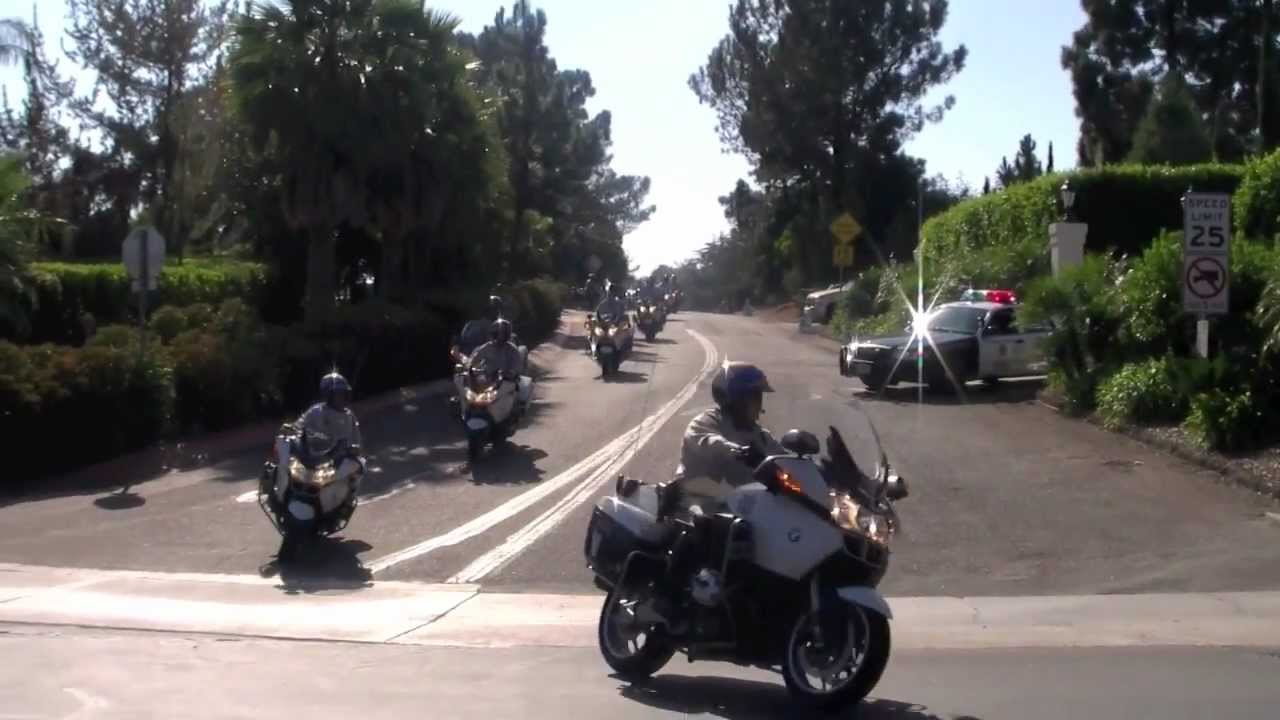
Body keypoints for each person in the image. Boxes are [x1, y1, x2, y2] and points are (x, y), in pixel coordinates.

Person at [276, 372, 364, 507]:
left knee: (360, 464)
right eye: (337, 394)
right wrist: (290, 428)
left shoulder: (349, 416)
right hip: (311, 453)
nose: (341, 398)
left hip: (334, 458)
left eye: (343, 394)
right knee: (283, 441)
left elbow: (356, 439)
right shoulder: (316, 411)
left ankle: (347, 499)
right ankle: (279, 492)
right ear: (327, 395)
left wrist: (355, 448)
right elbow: (300, 424)